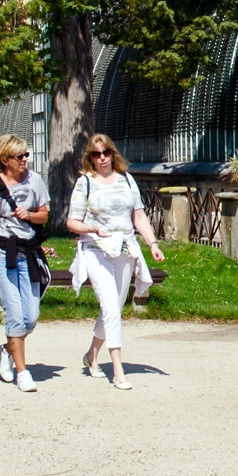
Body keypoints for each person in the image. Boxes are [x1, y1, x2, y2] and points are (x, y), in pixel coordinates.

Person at [65, 133, 163, 391]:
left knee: (114, 310)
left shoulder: (127, 180)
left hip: (124, 248)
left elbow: (139, 216)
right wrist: (93, 230)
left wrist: (152, 244)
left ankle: (91, 355)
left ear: (112, 153)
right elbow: (71, 221)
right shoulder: (85, 183)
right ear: (90, 158)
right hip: (95, 250)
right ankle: (117, 369)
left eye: (106, 152)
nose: (102, 158)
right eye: (96, 154)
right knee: (109, 306)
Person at [0, 135, 49, 392]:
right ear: (5, 160)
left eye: (26, 155)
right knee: (15, 314)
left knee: (31, 317)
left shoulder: (35, 180)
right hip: (3, 254)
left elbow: (44, 215)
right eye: (19, 156)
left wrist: (31, 215)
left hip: (29, 253)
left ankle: (6, 350)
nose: (25, 160)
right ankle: (23, 372)